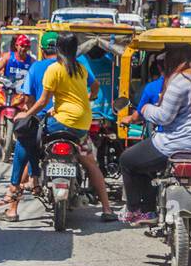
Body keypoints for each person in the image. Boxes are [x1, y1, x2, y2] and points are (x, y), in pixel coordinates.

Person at [9, 33, 117, 222]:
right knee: (90, 162)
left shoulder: (53, 69)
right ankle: (107, 209)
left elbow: (41, 102)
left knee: (27, 141)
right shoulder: (81, 69)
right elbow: (96, 85)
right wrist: (90, 97)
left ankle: (22, 191)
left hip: (59, 122)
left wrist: (27, 114)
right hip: (82, 125)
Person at [117, 45, 191, 225]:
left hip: (173, 145)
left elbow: (164, 117)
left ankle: (137, 210)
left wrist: (146, 109)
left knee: (128, 160)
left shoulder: (180, 80)